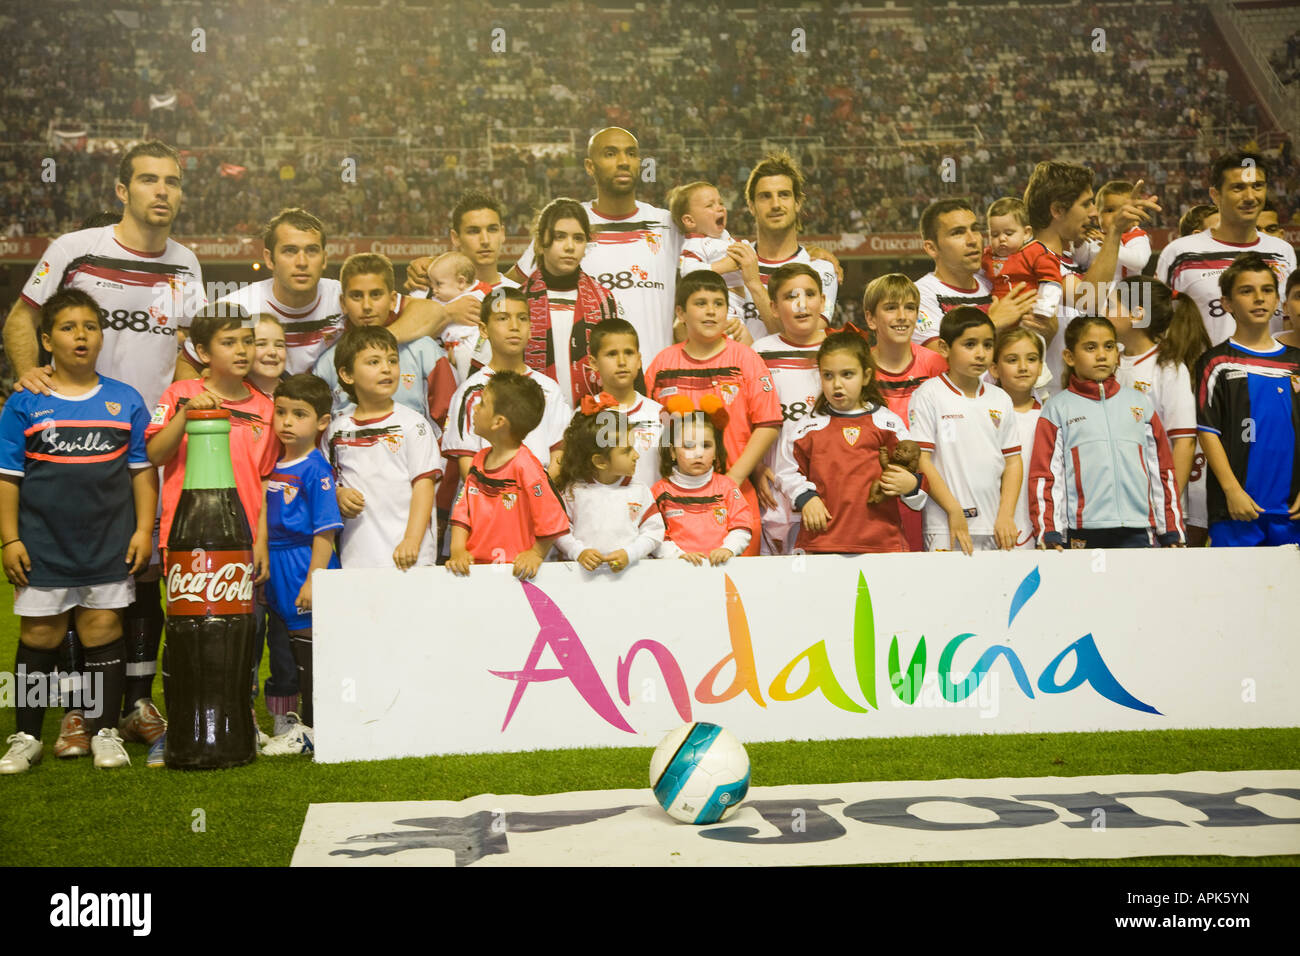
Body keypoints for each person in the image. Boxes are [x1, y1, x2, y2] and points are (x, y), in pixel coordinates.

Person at [5, 141, 205, 754]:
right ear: (123, 190)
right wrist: (27, 374)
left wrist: (178, 418)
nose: (162, 191)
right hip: (74, 439)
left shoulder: (188, 263)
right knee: (64, 577)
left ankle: (133, 704)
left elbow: (185, 351)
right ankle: (73, 711)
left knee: (137, 575)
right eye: (148, 180)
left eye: (172, 181)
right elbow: (21, 318)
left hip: (148, 444)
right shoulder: (75, 250)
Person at [0, 290, 157, 773]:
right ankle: (27, 734)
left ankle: (103, 730)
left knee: (102, 629)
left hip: (109, 540)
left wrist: (144, 531)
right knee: (41, 635)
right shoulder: (25, 402)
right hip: (42, 544)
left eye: (90, 326)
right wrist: (10, 539)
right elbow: (7, 478)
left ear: (101, 337)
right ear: (46, 339)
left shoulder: (124, 400)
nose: (81, 335)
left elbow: (142, 472)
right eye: (68, 327)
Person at [187, 207, 462, 378]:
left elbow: (433, 312)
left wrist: (373, 341)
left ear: (324, 258)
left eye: (311, 250)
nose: (302, 262)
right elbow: (188, 361)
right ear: (270, 259)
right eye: (290, 251)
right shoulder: (238, 307)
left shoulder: (346, 296)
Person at [506, 128, 681, 368]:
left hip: (657, 379)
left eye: (631, 154)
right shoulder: (570, 224)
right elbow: (508, 287)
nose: (623, 162)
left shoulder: (667, 224)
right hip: (587, 385)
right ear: (590, 166)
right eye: (610, 154)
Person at [645, 271, 782, 555]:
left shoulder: (746, 358)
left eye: (719, 303)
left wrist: (732, 479)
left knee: (737, 592)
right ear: (681, 312)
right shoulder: (662, 364)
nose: (711, 311)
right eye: (701, 303)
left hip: (733, 498)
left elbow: (768, 423)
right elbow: (649, 430)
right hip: (675, 503)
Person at [1029, 315, 1185, 550]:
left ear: (1117, 355)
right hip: (1081, 531)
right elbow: (1046, 476)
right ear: (1069, 357)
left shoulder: (1139, 404)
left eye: (1109, 346)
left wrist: (1171, 531)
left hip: (1138, 528)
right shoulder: (1057, 409)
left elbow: (1162, 471)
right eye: (1090, 347)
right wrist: (1048, 531)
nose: (1101, 355)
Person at [1001, 162, 1160, 387]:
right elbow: (1089, 299)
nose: (1094, 212)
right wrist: (1114, 232)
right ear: (1057, 210)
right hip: (1046, 403)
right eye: (1086, 204)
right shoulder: (1032, 258)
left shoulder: (1071, 258)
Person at [774, 332, 926, 554]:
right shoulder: (807, 427)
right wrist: (807, 499)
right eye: (828, 375)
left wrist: (910, 485)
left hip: (882, 545)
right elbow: (786, 471)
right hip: (822, 544)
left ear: (865, 376)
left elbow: (913, 466)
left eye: (847, 374)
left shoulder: (887, 423)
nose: (837, 384)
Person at [259, 374, 344, 757]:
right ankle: (284, 720)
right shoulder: (272, 461)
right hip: (273, 562)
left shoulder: (316, 469)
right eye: (281, 412)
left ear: (322, 422)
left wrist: (314, 581)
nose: (287, 422)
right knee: (278, 648)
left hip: (302, 561)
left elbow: (325, 531)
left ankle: (314, 727)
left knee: (308, 650)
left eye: (299, 414)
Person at [1193, 253, 1300, 547]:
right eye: (1246, 290)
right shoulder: (1216, 362)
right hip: (1237, 511)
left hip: (1292, 513)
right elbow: (1208, 432)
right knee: (1234, 592)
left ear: (1278, 301)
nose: (1259, 298)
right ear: (1226, 304)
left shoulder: (1295, 363)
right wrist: (1232, 491)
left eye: (1267, 290)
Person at [908, 306, 1023, 555]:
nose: (980, 354)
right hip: (946, 525)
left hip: (994, 526)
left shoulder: (1000, 398)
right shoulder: (928, 394)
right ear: (944, 348)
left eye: (987, 345)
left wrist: (1005, 515)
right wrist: (953, 510)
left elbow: (1013, 462)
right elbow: (921, 460)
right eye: (970, 345)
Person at [326, 326, 443, 569]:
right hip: (357, 558)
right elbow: (327, 483)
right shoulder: (336, 429)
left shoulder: (414, 425)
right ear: (347, 375)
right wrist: (338, 496)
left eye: (392, 360)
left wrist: (411, 541)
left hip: (410, 558)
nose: (386, 368)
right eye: (373, 362)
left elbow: (424, 487)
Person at [1157, 151, 1296, 344]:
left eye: (1257, 186)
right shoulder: (1179, 253)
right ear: (1215, 195)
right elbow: (1150, 320)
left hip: (1271, 372)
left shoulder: (1283, 252)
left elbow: (1289, 323)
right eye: (1238, 188)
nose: (1250, 197)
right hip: (1203, 372)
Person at [1110, 276, 1207, 543]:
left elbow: (1184, 443)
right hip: (1116, 502)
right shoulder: (1108, 364)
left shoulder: (1168, 368)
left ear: (1137, 314)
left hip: (1157, 506)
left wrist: (1167, 501)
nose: (1105, 313)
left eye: (1111, 305)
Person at [446, 371, 570, 578]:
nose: (475, 409)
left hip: (515, 575)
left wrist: (536, 554)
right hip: (474, 572)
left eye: (482, 404)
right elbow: (462, 512)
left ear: (498, 422)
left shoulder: (527, 466)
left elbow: (552, 516)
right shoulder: (478, 461)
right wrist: (458, 550)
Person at [442, 288, 570, 485]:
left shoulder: (548, 388)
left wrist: (534, 494)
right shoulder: (470, 391)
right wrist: (501, 499)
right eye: (503, 318)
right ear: (483, 329)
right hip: (488, 500)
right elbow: (467, 462)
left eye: (522, 318)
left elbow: (558, 454)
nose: (514, 326)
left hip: (539, 497)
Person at [314, 253, 454, 423]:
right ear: (343, 303)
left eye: (376, 295)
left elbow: (447, 417)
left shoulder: (424, 350)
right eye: (357, 296)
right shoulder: (327, 362)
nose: (366, 306)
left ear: (393, 300)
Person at [751, 263, 829, 554]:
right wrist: (754, 468)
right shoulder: (758, 353)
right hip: (773, 493)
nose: (801, 303)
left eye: (809, 294)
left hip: (829, 492)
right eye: (790, 296)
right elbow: (746, 421)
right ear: (773, 307)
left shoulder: (842, 349)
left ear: (822, 301)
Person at [519, 198, 621, 405]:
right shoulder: (520, 300)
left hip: (591, 419)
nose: (569, 247)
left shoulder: (604, 300)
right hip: (533, 418)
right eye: (559, 237)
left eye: (578, 238)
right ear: (540, 243)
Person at [553, 402, 665, 572]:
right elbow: (559, 531)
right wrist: (579, 552)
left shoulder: (640, 491)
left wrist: (630, 553)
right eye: (627, 450)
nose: (636, 455)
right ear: (600, 461)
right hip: (582, 578)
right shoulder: (573, 493)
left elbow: (654, 532)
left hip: (631, 576)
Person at [915, 199, 1036, 349]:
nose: (972, 240)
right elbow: (939, 360)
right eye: (957, 233)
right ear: (932, 248)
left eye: (975, 229)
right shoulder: (919, 295)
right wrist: (992, 324)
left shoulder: (994, 281)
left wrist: (1048, 330)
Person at [742, 152, 840, 334]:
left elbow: (802, 337)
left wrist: (754, 283)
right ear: (751, 205)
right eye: (765, 196)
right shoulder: (731, 263)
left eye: (784, 195)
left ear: (798, 203)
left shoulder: (821, 270)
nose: (776, 204)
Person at [653, 396, 752, 565]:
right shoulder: (659, 491)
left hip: (721, 570)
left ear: (715, 452)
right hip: (675, 573)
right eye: (688, 446)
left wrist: (728, 549)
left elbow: (742, 526)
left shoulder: (726, 487)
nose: (698, 453)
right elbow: (653, 533)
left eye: (706, 446)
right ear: (672, 452)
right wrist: (677, 556)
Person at [671, 180, 768, 342]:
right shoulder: (695, 243)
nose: (720, 207)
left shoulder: (723, 236)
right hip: (721, 305)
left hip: (742, 303)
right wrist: (723, 266)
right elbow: (689, 271)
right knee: (744, 342)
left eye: (721, 203)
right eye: (710, 205)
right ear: (690, 221)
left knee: (749, 343)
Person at [586, 318, 663, 494]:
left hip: (653, 515)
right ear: (593, 362)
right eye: (612, 354)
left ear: (639, 360)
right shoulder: (584, 415)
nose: (621, 361)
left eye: (628, 353)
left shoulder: (659, 414)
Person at [991, 328, 1044, 549]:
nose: (1023, 367)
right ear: (994, 368)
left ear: (1041, 366)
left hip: (1037, 525)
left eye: (1031, 359)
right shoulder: (985, 414)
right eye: (1012, 360)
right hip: (991, 524)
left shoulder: (1049, 417)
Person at [424, 251, 492, 381]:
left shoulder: (479, 293)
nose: (434, 289)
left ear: (461, 282)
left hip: (473, 348)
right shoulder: (439, 300)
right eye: (431, 284)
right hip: (446, 350)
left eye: (438, 284)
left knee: (471, 382)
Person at [1070, 181, 1154, 284]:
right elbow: (1082, 262)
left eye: (1123, 211)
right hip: (1097, 292)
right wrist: (1079, 244)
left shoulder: (1136, 236)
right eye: (1109, 210)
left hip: (1128, 294)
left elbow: (1138, 262)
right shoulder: (1096, 235)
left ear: (1135, 215)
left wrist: (1110, 242)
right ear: (1097, 216)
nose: (1117, 216)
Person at [983, 197, 1034, 299]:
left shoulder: (1033, 255)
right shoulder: (985, 257)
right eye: (994, 234)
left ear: (1026, 233)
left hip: (1028, 306)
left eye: (1009, 233)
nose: (1001, 238)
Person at [249, 314, 288, 397]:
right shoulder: (230, 396)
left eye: (279, 345)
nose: (273, 352)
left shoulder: (303, 393)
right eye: (261, 344)